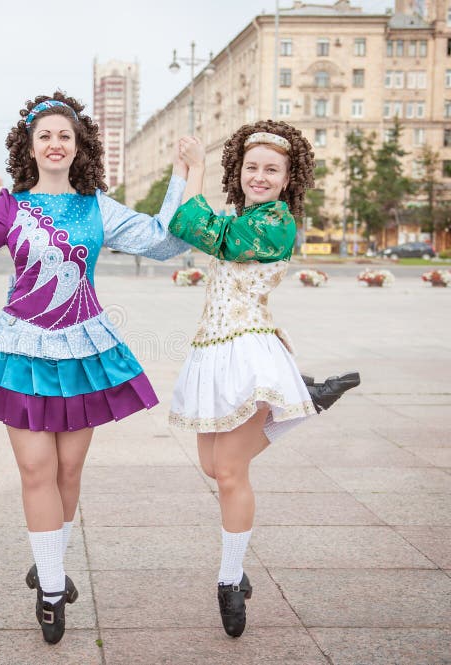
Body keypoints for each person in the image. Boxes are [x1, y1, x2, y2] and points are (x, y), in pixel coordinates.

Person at [0, 92, 192, 644]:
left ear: (78, 145)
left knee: (68, 471)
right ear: (30, 147)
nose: (56, 144)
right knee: (37, 469)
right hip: (23, 351)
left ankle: (49, 563)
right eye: (46, 136)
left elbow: (165, 242)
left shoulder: (98, 208)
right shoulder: (9, 206)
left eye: (66, 135)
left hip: (84, 351)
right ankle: (54, 590)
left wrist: (185, 175)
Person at [166, 120, 360, 638]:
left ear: (289, 177)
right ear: (241, 170)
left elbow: (203, 231)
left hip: (248, 350)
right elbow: (201, 228)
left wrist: (195, 171)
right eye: (252, 166)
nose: (259, 175)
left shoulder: (276, 222)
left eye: (271, 169)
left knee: (229, 472)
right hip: (216, 348)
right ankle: (309, 399)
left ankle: (230, 580)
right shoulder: (249, 213)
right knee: (212, 465)